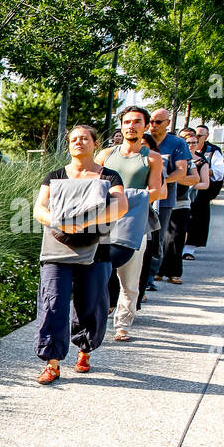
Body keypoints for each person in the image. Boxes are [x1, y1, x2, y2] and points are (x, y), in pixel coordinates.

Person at [30, 124, 127, 384]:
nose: (78, 142)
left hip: (98, 248)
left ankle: (84, 349)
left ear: (95, 144)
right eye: (73, 139)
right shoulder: (55, 176)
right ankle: (51, 363)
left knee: (91, 302)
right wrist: (59, 221)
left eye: (84, 138)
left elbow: (121, 205)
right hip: (57, 247)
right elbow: (39, 209)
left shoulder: (109, 176)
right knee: (52, 302)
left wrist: (86, 221)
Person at [99, 107, 165, 342]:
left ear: (146, 126)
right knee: (100, 271)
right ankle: (99, 312)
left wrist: (125, 196)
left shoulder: (152, 158)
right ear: (122, 125)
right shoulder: (106, 155)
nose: (131, 125)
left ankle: (123, 324)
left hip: (136, 223)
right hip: (105, 223)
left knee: (129, 278)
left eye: (137, 121)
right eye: (127, 121)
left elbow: (158, 191)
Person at [144, 108, 191, 296]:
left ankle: (150, 275)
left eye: (158, 122)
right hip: (140, 197)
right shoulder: (143, 140)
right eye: (151, 122)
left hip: (163, 199)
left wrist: (161, 181)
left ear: (168, 123)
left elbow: (181, 171)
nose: (153, 126)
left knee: (157, 238)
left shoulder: (177, 143)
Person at [159, 127, 208, 283]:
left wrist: (173, 177)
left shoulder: (188, 161)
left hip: (181, 202)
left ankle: (174, 272)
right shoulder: (158, 156)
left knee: (175, 238)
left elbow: (194, 179)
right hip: (159, 202)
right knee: (159, 238)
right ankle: (156, 270)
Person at [185, 125, 224, 259]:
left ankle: (189, 248)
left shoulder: (212, 152)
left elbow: (219, 173)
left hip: (200, 193)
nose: (194, 140)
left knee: (197, 219)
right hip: (182, 193)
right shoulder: (180, 153)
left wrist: (200, 170)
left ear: (206, 136)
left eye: (198, 137)